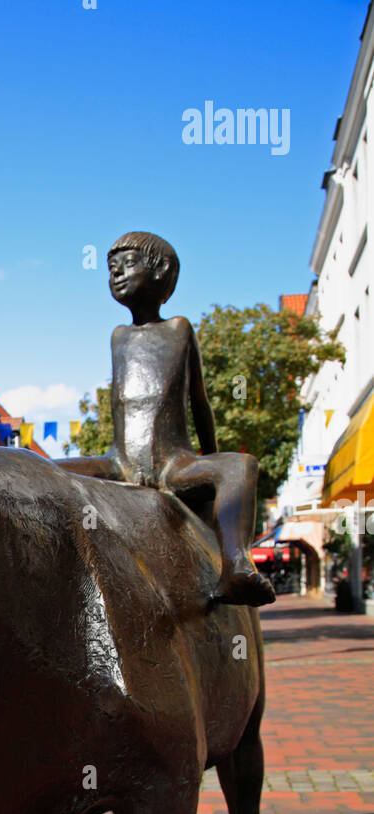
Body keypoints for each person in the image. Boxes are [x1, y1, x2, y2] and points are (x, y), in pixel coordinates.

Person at [62, 231, 275, 607]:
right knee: (48, 469)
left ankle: (237, 568)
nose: (116, 275)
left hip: (173, 463)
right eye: (110, 269)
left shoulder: (179, 329)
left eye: (126, 265)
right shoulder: (118, 336)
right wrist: (123, 467)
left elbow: (200, 403)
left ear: (160, 270)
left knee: (241, 466)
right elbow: (119, 405)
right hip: (120, 461)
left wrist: (211, 463)